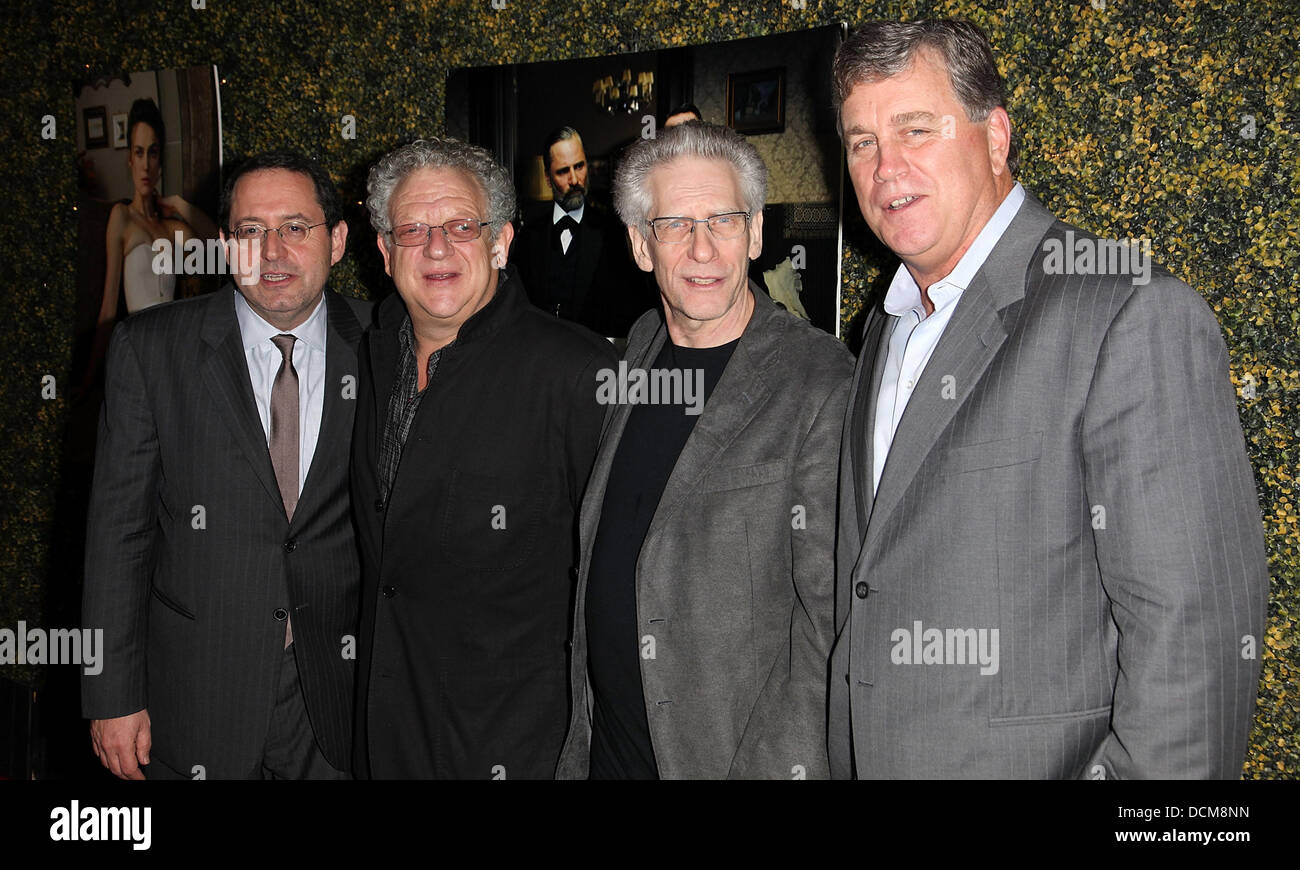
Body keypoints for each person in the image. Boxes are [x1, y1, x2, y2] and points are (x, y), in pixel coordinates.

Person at [829, 18, 1269, 778]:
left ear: (995, 137)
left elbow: (1193, 650)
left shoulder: (1128, 314)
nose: (885, 166)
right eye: (861, 140)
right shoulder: (882, 330)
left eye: (915, 129)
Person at [555, 122, 853, 779]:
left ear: (753, 233)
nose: (702, 248)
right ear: (640, 244)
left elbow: (829, 632)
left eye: (723, 219)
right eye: (675, 225)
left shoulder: (819, 382)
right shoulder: (642, 343)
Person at [83, 150, 371, 779]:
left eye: (295, 227)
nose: (271, 252)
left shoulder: (385, 345)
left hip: (338, 698)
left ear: (339, 239)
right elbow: (117, 535)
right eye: (249, 232)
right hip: (192, 697)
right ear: (223, 244)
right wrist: (111, 695)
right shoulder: (150, 350)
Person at [352, 138, 616, 779]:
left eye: (460, 227)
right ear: (385, 252)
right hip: (382, 735)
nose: (436, 247)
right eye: (412, 229)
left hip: (515, 746)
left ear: (500, 241)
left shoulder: (579, 375)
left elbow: (617, 588)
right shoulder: (368, 355)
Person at [84, 98, 217, 390]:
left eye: (153, 153)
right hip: (140, 353)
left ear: (160, 161)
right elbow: (108, 309)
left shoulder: (171, 229)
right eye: (139, 152)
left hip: (177, 347)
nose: (145, 164)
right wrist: (89, 380)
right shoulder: (122, 217)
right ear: (130, 159)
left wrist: (180, 204)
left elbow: (219, 247)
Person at [513, 126, 651, 336]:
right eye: (563, 171)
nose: (575, 180)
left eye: (579, 166)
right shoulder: (528, 236)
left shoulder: (613, 233)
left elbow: (627, 310)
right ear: (548, 178)